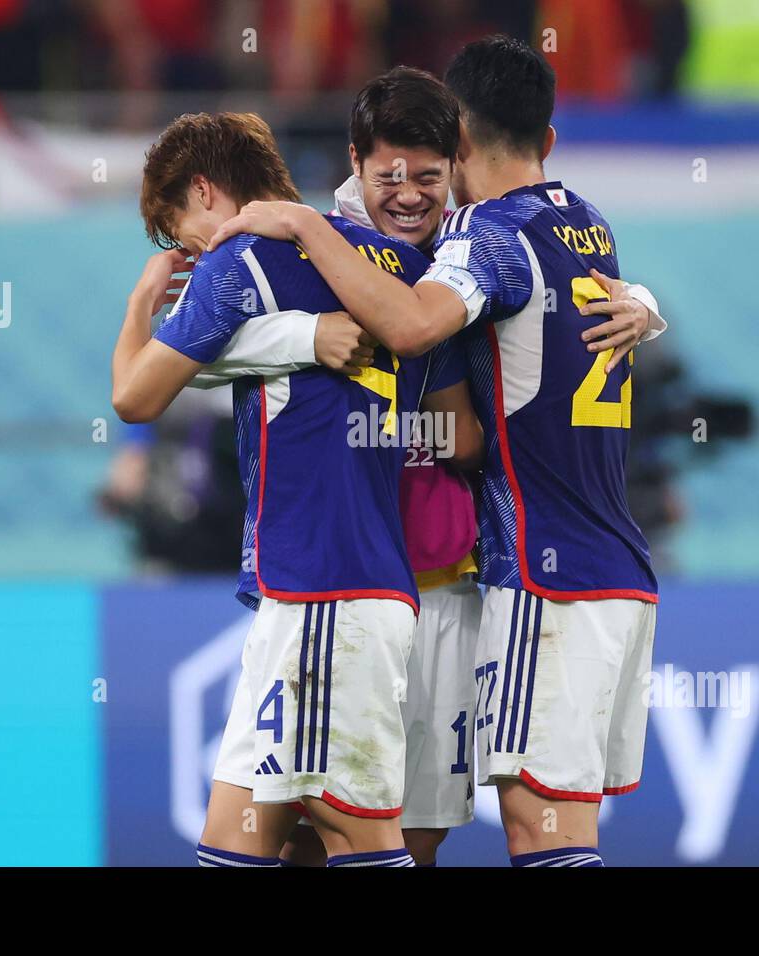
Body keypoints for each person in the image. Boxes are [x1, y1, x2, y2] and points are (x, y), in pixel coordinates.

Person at [192, 65, 666, 865]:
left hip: (447, 593)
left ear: (458, 158)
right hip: (331, 585)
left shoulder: (468, 242)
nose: (409, 193)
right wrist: (304, 340)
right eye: (389, 176)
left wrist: (645, 304)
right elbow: (193, 362)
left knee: (402, 840)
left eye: (429, 175)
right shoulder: (318, 243)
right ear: (355, 165)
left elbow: (469, 400)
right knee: (296, 831)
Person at [111, 110, 481, 868]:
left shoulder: (238, 263)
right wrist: (305, 351)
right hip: (352, 588)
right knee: (250, 842)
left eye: (182, 233)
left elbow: (135, 397)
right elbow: (462, 435)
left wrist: (140, 306)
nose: (189, 252)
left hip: (323, 588)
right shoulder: (400, 268)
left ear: (206, 190)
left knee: (357, 840)